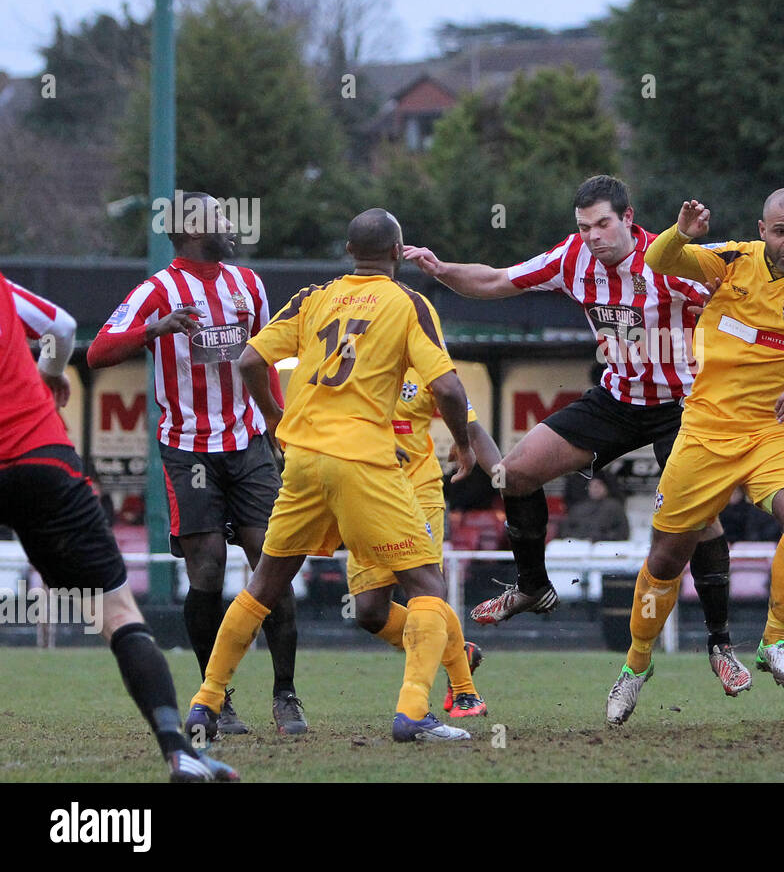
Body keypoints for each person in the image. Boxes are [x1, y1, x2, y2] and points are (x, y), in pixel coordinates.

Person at [403, 174, 750, 697]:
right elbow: (497, 281)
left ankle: (721, 645)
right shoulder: (572, 258)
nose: (593, 236)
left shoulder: (670, 263)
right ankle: (532, 587)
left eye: (603, 224)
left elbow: (743, 302)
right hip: (617, 399)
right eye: (585, 227)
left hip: (682, 405)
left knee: (697, 521)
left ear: (629, 219)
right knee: (513, 473)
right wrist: (441, 269)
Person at [185, 208, 478, 744]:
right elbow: (451, 391)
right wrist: (462, 444)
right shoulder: (408, 303)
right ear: (397, 252)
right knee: (426, 585)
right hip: (363, 462)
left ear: (348, 252)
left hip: (301, 462)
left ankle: (206, 702)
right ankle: (414, 711)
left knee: (263, 585)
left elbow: (251, 360)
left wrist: (274, 418)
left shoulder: (311, 298)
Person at [605, 191, 784, 725]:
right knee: (666, 558)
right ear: (763, 229)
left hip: (773, 432)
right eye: (779, 231)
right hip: (706, 431)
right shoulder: (732, 260)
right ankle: (635, 668)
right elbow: (659, 260)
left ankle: (773, 642)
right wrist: (681, 231)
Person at [0, 273, 236, 781]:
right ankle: (180, 753)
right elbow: (60, 324)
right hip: (41, 460)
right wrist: (49, 372)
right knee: (118, 616)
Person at [87, 191, 305, 737]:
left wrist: (276, 422)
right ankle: (218, 698)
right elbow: (97, 351)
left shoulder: (248, 284)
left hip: (250, 442)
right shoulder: (157, 290)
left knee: (270, 561)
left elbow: (262, 360)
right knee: (206, 566)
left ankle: (286, 695)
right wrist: (155, 331)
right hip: (187, 446)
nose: (231, 225)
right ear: (189, 229)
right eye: (220, 218)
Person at [347, 338, 502, 719]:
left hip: (419, 493)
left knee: (426, 593)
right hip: (368, 493)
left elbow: (473, 427)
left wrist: (504, 478)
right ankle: (457, 649)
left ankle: (466, 692)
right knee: (369, 611)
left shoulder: (430, 368)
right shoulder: (350, 364)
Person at [560, 474, 630, 542]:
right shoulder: (578, 508)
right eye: (592, 486)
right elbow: (565, 531)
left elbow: (622, 532)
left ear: (606, 487)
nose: (595, 489)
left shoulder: (615, 507)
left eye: (598, 486)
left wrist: (599, 537)